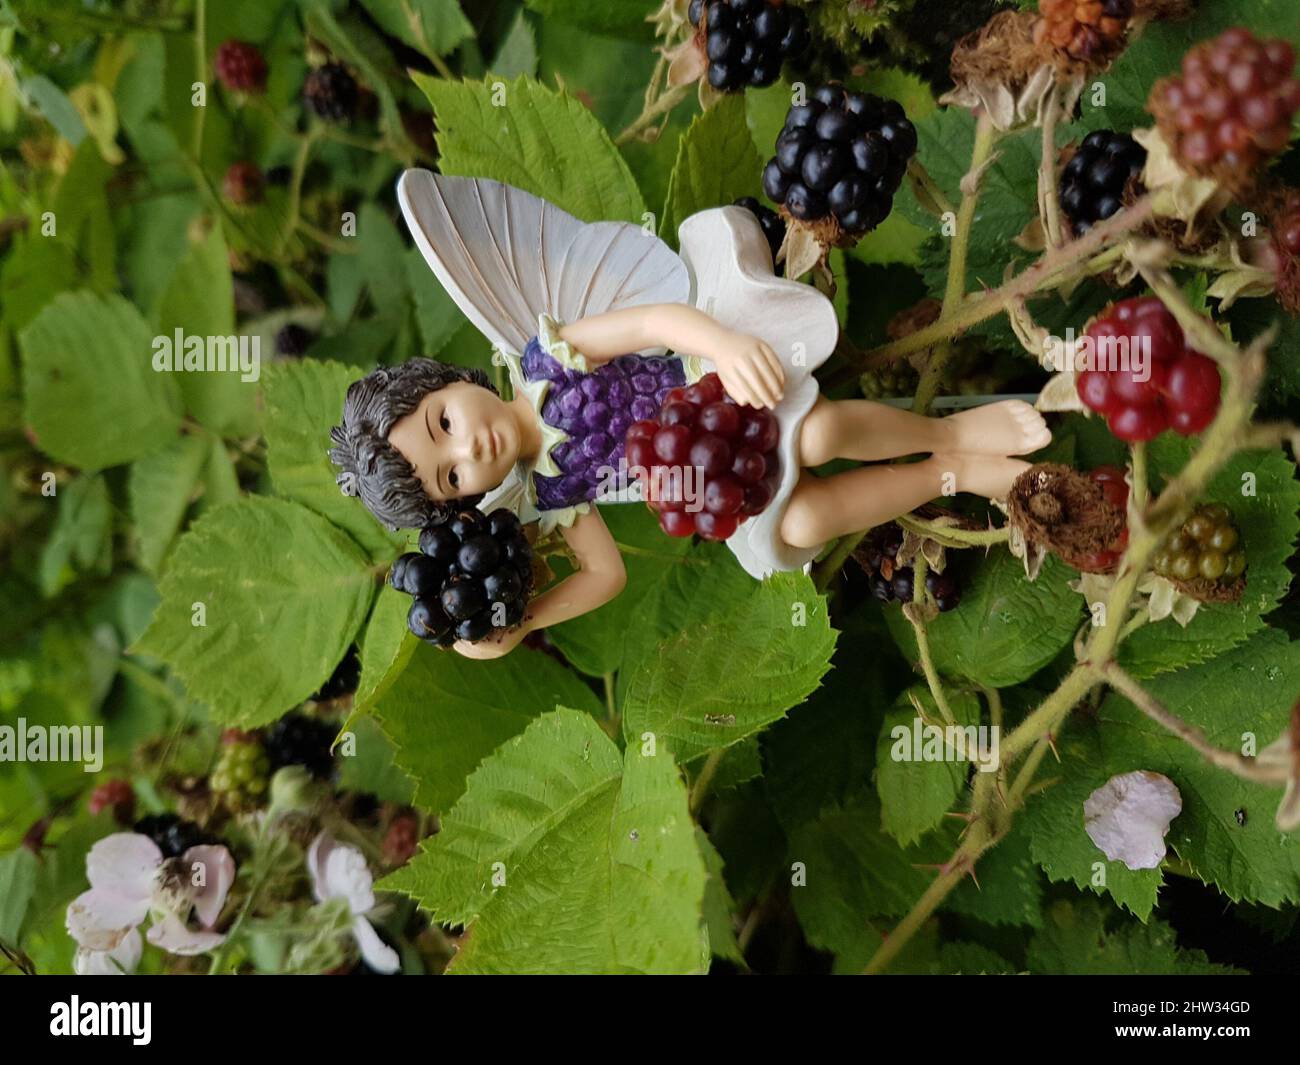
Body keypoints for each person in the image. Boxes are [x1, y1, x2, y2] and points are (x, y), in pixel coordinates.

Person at [329, 171, 1049, 658]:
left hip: (716, 384)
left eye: (443, 425)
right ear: (465, 501)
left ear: (447, 382)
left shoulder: (550, 358)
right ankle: (949, 472)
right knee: (799, 524)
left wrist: (725, 346)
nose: (469, 448)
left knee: (822, 429)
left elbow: (653, 321)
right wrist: (524, 623)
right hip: (709, 480)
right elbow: (604, 577)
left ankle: (948, 432)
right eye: (452, 476)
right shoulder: (551, 494)